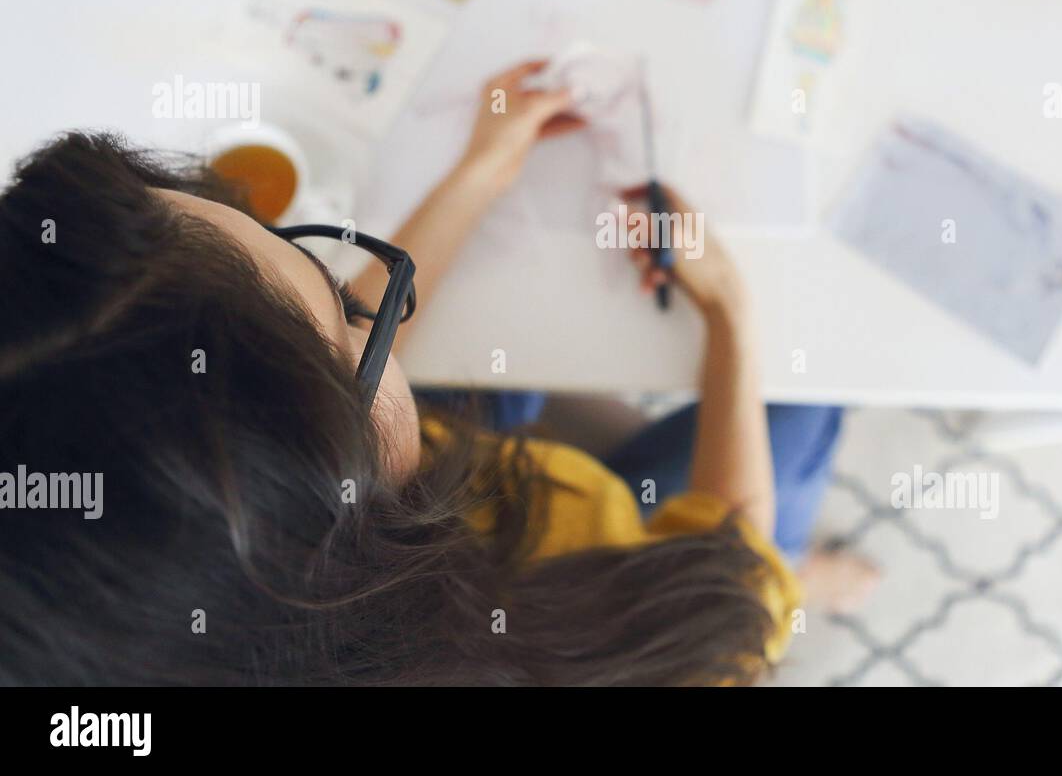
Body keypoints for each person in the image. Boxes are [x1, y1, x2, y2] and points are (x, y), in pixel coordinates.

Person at [0, 60, 872, 686]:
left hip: (471, 496)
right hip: (640, 576)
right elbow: (731, 586)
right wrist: (729, 315)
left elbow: (281, 375)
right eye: (350, 319)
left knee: (503, 385)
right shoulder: (616, 657)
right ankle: (811, 576)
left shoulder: (183, 594)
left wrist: (482, 170)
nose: (373, 301)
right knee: (804, 412)